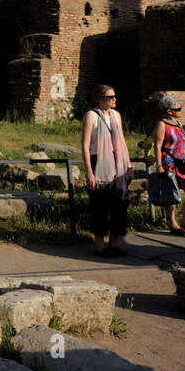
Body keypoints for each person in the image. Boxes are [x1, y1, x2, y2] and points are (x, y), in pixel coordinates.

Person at [81, 83, 132, 257]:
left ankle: (113, 244)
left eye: (114, 96)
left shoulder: (116, 115)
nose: (114, 99)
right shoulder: (91, 116)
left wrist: (129, 165)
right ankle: (99, 247)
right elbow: (85, 145)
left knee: (119, 204)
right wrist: (89, 172)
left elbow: (122, 141)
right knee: (99, 205)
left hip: (117, 162)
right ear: (100, 98)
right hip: (98, 161)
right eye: (110, 97)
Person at [152, 94, 185, 235]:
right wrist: (159, 165)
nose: (181, 110)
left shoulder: (179, 125)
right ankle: (173, 225)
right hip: (170, 163)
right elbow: (157, 146)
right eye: (178, 108)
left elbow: (182, 144)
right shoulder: (162, 125)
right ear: (169, 111)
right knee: (171, 195)